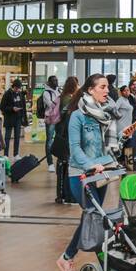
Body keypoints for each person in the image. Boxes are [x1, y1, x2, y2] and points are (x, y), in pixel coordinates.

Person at [55, 74, 126, 271]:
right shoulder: (77, 116)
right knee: (95, 219)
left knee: (96, 219)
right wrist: (90, 165)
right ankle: (101, 270)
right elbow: (75, 149)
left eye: (107, 87)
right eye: (103, 87)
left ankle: (71, 260)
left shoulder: (105, 114)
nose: (107, 91)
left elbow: (107, 146)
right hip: (81, 175)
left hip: (103, 172)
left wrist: (123, 138)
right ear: (90, 90)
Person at [52, 76, 81, 204]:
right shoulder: (68, 100)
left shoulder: (63, 97)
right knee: (67, 164)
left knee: (63, 164)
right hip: (66, 135)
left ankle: (61, 195)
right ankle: (67, 195)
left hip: (61, 133)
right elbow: (69, 117)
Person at [0, 79, 27, 157]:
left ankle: (16, 154)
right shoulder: (7, 94)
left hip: (18, 119)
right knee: (7, 138)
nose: (18, 90)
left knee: (17, 137)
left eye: (19, 88)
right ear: (14, 87)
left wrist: (24, 119)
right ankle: (5, 155)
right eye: (17, 88)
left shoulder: (21, 94)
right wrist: (12, 108)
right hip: (9, 118)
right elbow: (2, 107)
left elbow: (23, 106)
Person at [40, 75, 62, 171]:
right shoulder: (46, 92)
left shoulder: (59, 91)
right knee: (49, 140)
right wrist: (60, 103)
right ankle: (50, 163)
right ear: (49, 82)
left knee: (59, 139)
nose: (56, 82)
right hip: (51, 119)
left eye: (56, 80)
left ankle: (60, 160)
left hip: (60, 119)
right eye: (53, 80)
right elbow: (51, 105)